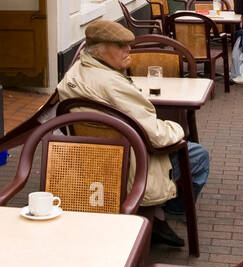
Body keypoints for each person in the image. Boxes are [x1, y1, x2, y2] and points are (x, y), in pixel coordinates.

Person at [56, 20, 210, 247]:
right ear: (98, 50)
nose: (129, 49)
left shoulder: (74, 73)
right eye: (120, 46)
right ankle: (165, 214)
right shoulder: (112, 85)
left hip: (91, 159)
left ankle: (156, 215)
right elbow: (156, 137)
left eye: (128, 44)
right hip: (131, 164)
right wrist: (178, 129)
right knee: (198, 155)